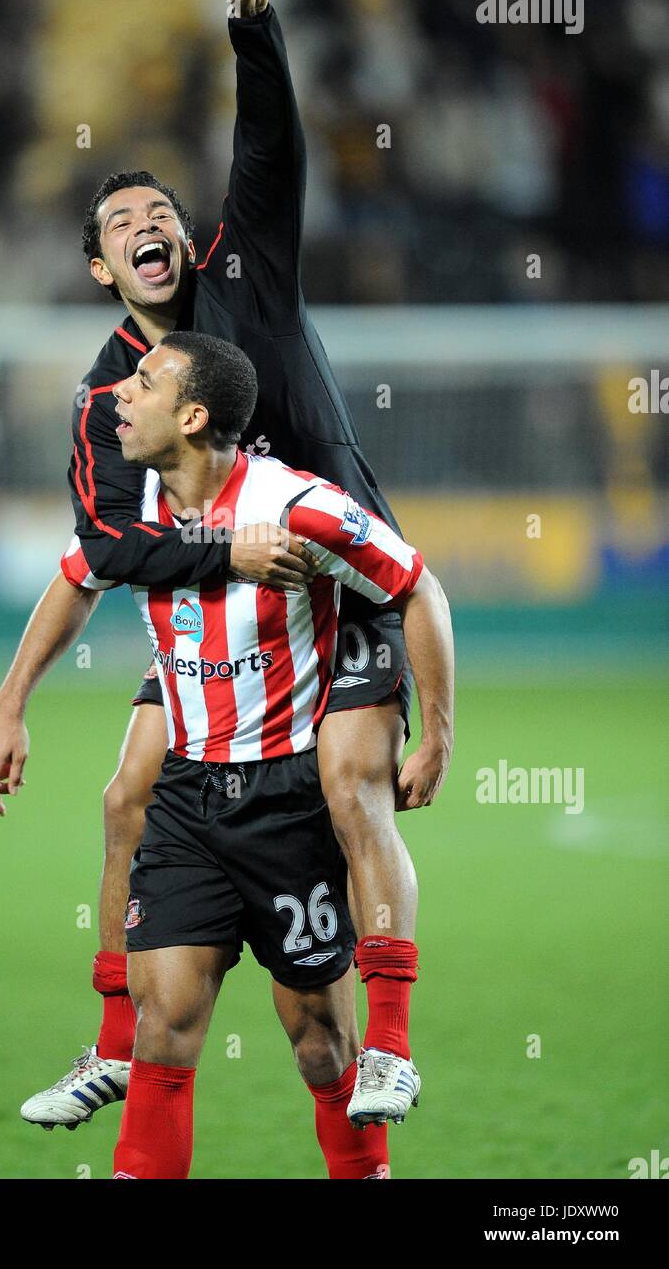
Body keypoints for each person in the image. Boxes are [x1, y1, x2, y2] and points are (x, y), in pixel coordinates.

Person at [0, 0, 454, 1137]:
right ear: (99, 268)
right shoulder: (108, 399)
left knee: (351, 783)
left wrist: (252, 23)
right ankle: (112, 1042)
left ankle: (387, 1049)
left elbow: (267, 146)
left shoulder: (249, 269)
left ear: (188, 242)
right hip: (226, 602)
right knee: (125, 792)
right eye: (123, 219)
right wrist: (10, 699)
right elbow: (104, 551)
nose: (150, 222)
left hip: (327, 575)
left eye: (162, 211)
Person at [67, 329, 450, 1178]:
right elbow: (79, 572)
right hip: (186, 799)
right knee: (163, 1026)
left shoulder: (295, 506)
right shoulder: (129, 514)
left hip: (288, 798)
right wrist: (8, 703)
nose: (117, 397)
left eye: (143, 383)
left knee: (319, 1042)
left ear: (194, 415)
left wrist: (441, 734)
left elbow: (416, 585)